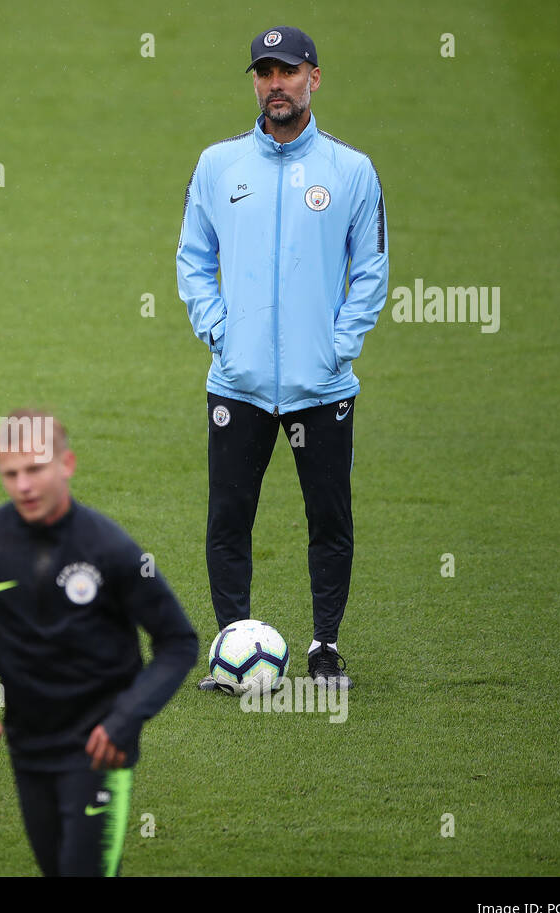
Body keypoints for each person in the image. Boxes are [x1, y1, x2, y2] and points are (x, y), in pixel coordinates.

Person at [176, 26, 388, 691]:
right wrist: (219, 331)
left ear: (313, 78)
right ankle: (232, 649)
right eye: (264, 72)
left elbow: (371, 270)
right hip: (236, 383)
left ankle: (325, 647)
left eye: (288, 71)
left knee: (329, 520)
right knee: (228, 520)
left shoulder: (351, 171)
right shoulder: (218, 164)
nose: (276, 84)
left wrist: (336, 347)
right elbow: (193, 257)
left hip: (321, 388)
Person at [0, 411, 197, 876]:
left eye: (35, 469)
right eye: (11, 474)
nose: (23, 486)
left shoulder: (110, 548)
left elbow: (178, 642)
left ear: (66, 464)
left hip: (100, 748)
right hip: (28, 746)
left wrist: (125, 719)